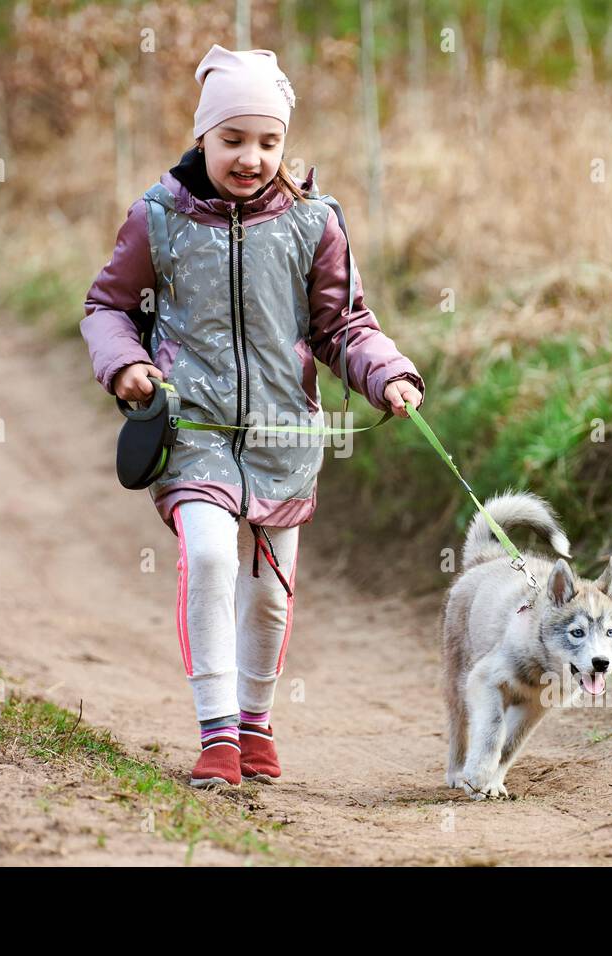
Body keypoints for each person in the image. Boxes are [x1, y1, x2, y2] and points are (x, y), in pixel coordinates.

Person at [81, 43, 424, 788]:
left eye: (268, 141)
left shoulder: (313, 223)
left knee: (269, 594)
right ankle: (217, 735)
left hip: (281, 437)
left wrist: (387, 375)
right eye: (232, 139)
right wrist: (127, 364)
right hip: (191, 429)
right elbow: (108, 305)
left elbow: (344, 326)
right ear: (202, 136)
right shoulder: (159, 217)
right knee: (208, 557)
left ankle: (256, 722)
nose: (250, 157)